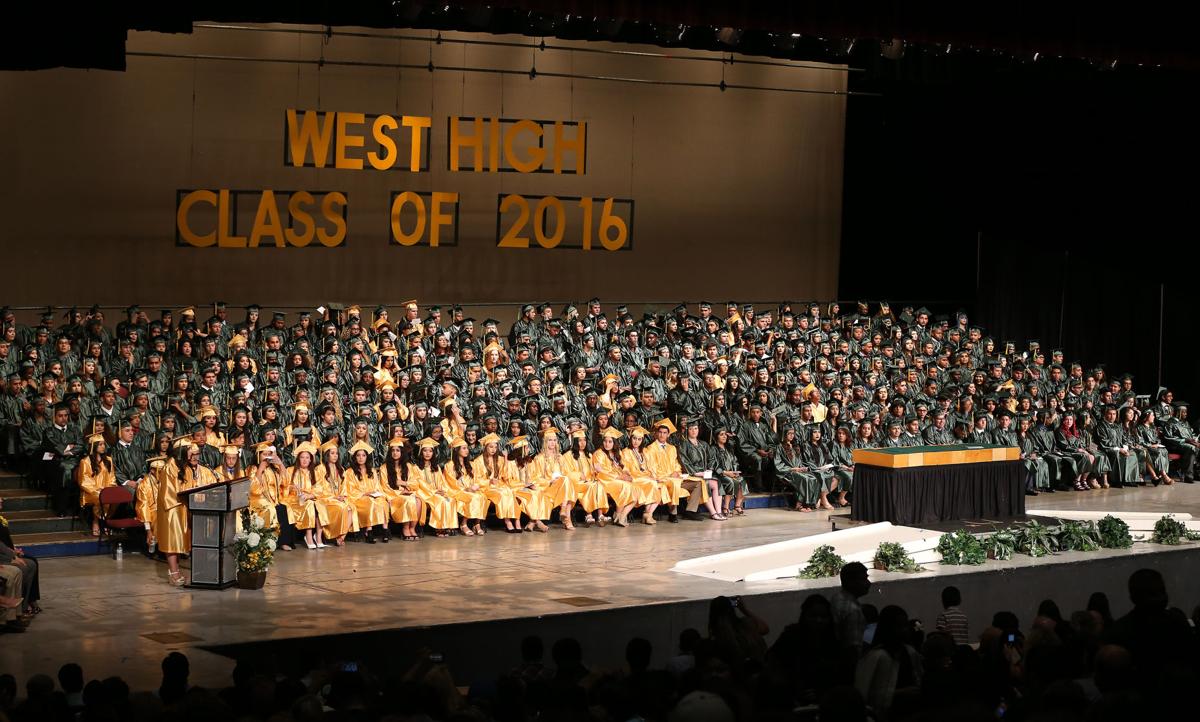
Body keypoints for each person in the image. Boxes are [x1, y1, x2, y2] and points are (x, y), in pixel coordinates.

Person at [410, 437, 459, 537]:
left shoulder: (436, 468)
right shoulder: (415, 468)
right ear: (420, 452)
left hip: (436, 492)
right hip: (423, 493)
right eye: (425, 450)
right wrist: (434, 492)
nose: (428, 453)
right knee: (440, 500)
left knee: (450, 499)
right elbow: (419, 483)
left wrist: (442, 491)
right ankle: (437, 528)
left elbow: (441, 482)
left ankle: (447, 526)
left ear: (433, 453)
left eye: (430, 451)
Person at [590, 427, 638, 527]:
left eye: (610, 442)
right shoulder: (598, 454)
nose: (607, 444)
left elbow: (623, 467)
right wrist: (619, 477)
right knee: (625, 487)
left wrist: (627, 474)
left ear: (614, 443)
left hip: (616, 480)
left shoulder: (617, 453)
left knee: (634, 489)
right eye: (605, 441)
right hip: (605, 481)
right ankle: (620, 517)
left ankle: (620, 516)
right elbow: (601, 472)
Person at [345, 440, 390, 543]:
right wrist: (365, 494)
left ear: (367, 457)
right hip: (359, 498)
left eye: (363, 455)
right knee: (369, 502)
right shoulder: (350, 472)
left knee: (383, 502)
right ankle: (368, 531)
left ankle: (385, 530)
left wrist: (379, 494)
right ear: (354, 457)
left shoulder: (372, 470)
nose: (361, 458)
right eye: (358, 455)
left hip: (372, 496)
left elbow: (377, 486)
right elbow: (350, 490)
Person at [77, 432, 115, 536]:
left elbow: (112, 477)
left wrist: (109, 488)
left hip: (106, 489)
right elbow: (84, 481)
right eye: (100, 444)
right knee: (100, 497)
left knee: (114, 497)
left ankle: (106, 520)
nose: (103, 447)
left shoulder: (108, 460)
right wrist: (97, 490)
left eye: (104, 444)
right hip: (90, 492)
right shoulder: (85, 462)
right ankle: (96, 521)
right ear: (93, 446)